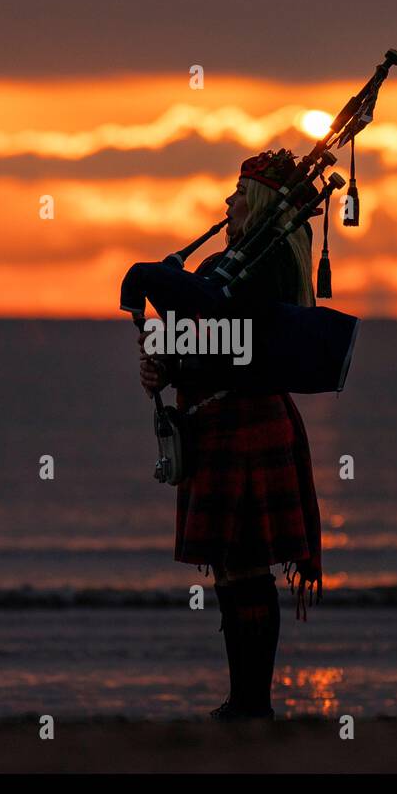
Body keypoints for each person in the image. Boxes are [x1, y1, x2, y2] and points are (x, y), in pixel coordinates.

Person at [138, 148, 323, 721]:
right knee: (230, 566)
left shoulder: (265, 270)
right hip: (217, 424)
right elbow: (195, 335)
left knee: (245, 565)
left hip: (246, 425)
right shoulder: (225, 266)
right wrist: (161, 368)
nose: (228, 200)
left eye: (240, 193)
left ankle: (252, 704)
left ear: (262, 202)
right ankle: (243, 700)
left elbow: (228, 338)